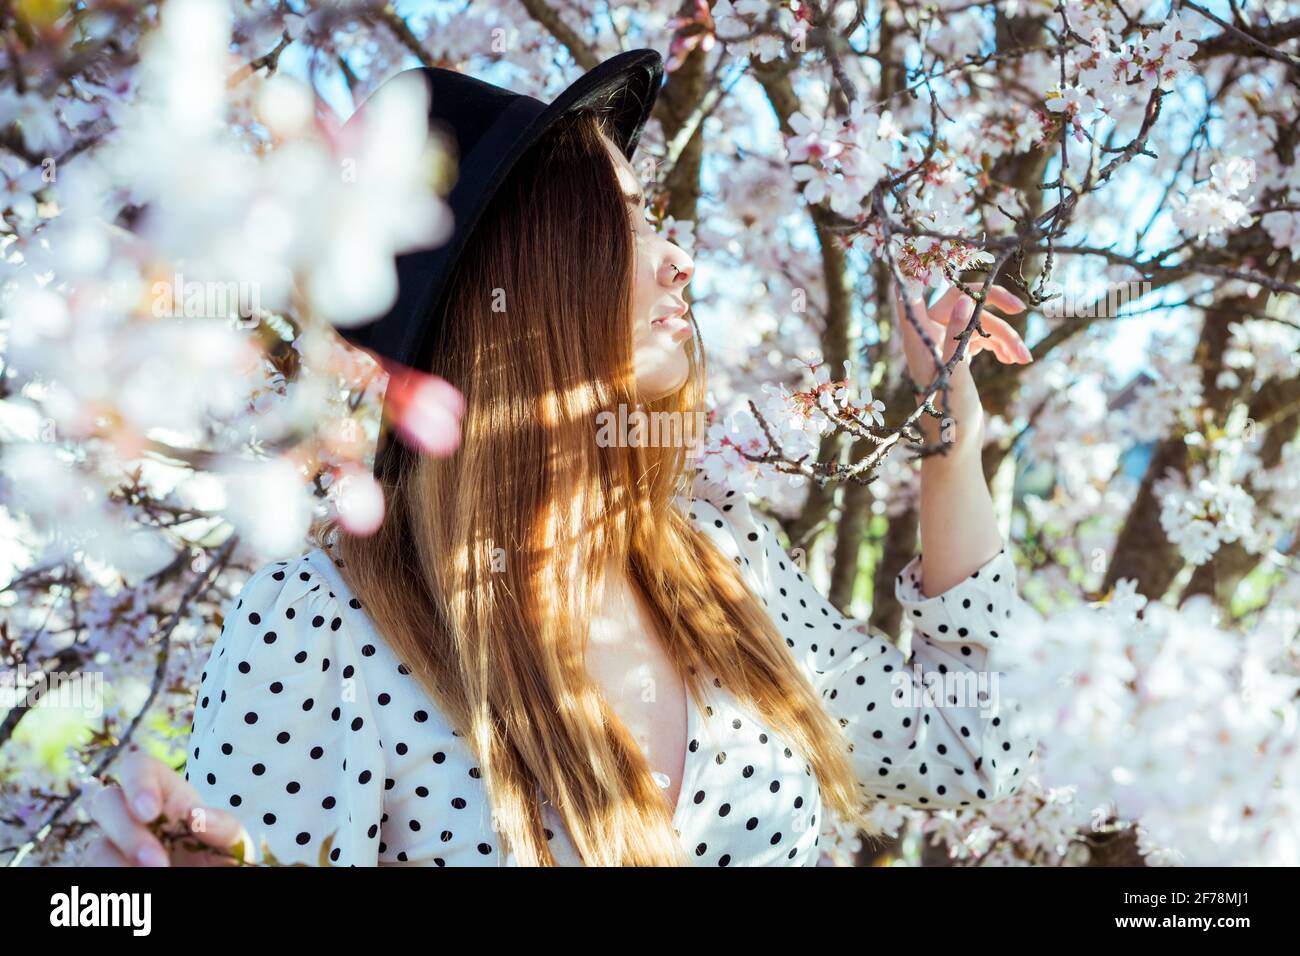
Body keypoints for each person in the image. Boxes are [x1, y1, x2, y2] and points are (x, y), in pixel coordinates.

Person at [85, 50, 1038, 867]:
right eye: (623, 219)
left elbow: (970, 746)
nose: (680, 261)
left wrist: (950, 432)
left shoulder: (724, 562)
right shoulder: (321, 627)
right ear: (520, 281)